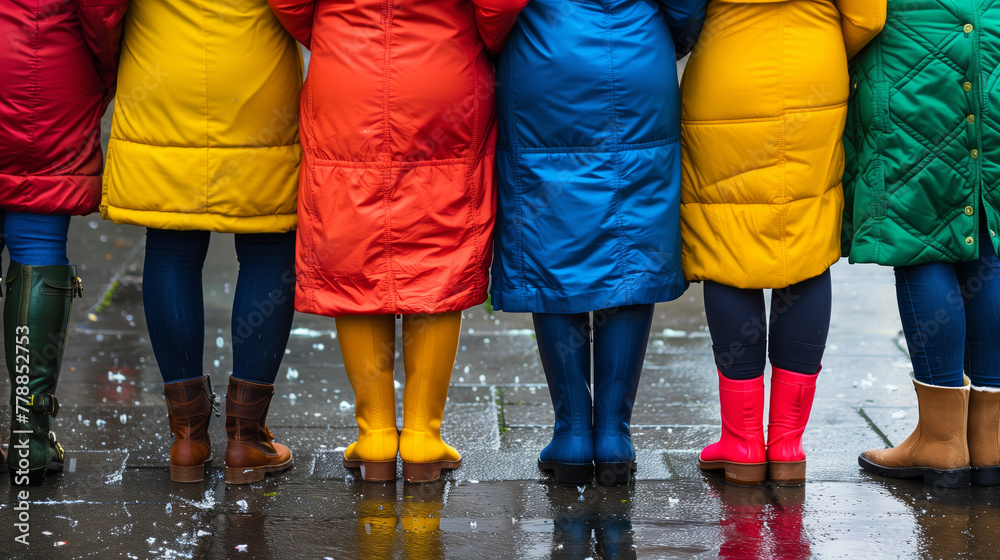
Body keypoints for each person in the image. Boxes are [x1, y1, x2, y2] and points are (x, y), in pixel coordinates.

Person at [266, 0, 527, 483]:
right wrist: (477, 37)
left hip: (347, 73)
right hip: (442, 69)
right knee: (440, 246)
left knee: (353, 247)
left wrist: (334, 33)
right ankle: (424, 437)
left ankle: (377, 435)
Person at [491, 0, 706, 485]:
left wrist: (503, 42)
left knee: (549, 240)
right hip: (638, 57)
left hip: (544, 57)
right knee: (632, 242)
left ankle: (570, 433)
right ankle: (613, 434)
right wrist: (667, 36)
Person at [680, 0, 884, 485]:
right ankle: (788, 443)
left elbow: (682, 13)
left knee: (727, 239)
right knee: (808, 241)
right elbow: (869, 16)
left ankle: (744, 442)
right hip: (814, 67)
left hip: (726, 69)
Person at [102, 0, 303, 484]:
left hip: (160, 65)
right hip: (257, 72)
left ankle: (188, 439)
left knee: (170, 247)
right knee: (268, 242)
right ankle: (246, 440)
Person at [846, 4, 1000, 488]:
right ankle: (990, 440)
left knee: (921, 238)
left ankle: (941, 442)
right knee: (988, 238)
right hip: (990, 40)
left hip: (912, 46)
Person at [1, 0, 128, 486]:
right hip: (51, 67)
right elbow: (103, 10)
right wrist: (102, 70)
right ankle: (29, 436)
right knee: (37, 237)